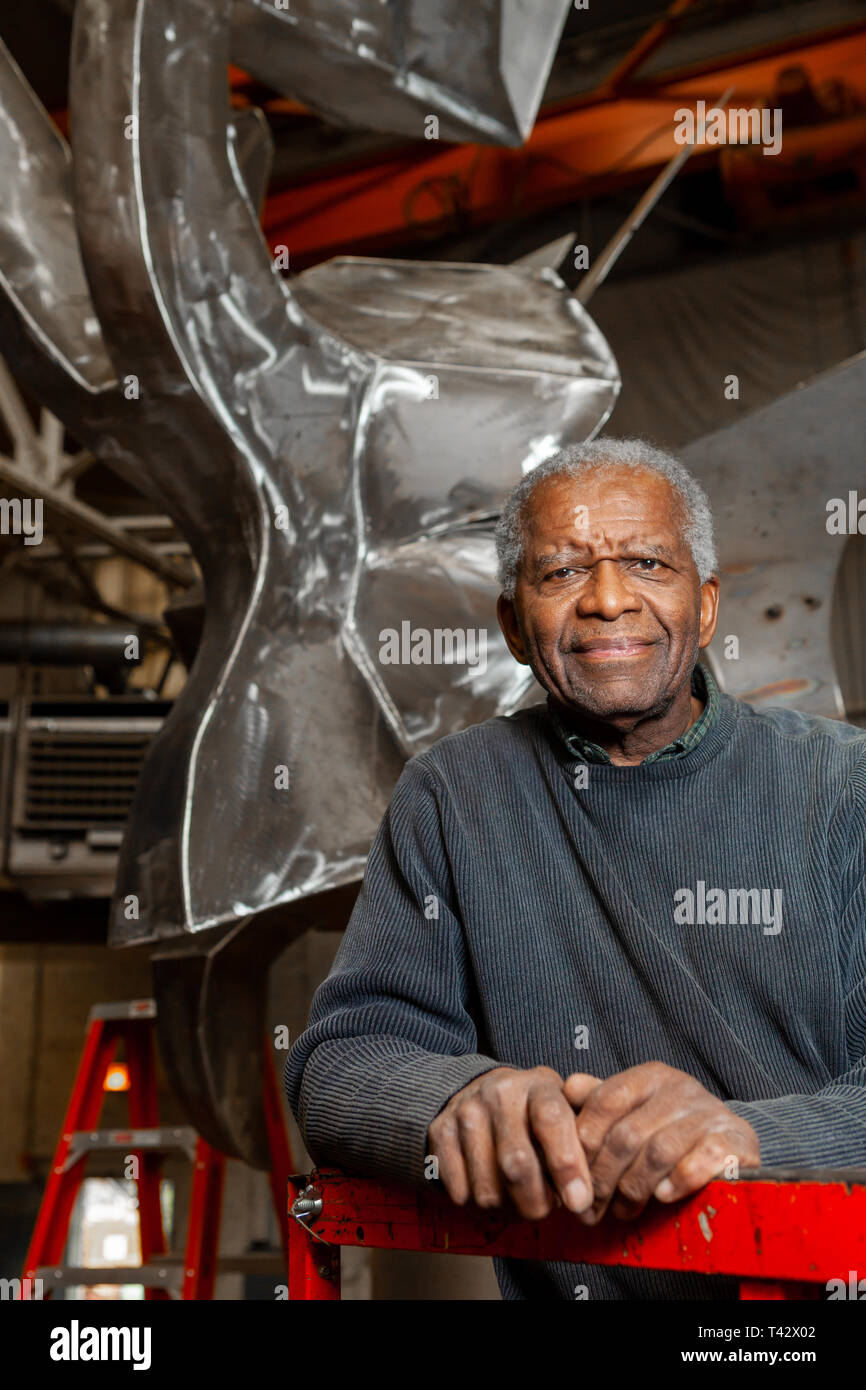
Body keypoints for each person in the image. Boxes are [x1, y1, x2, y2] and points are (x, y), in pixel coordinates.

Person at [286, 437, 866, 1299]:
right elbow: (340, 1063)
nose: (606, 599)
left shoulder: (843, 786)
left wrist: (748, 1140)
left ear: (704, 608)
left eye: (645, 562)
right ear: (515, 627)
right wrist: (459, 1100)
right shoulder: (455, 795)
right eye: (560, 574)